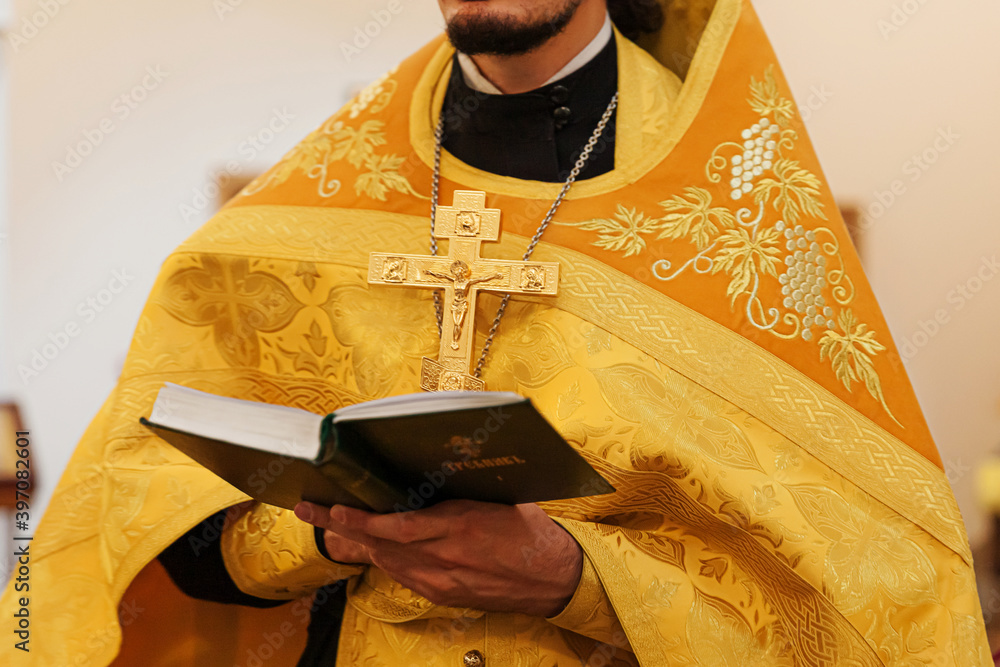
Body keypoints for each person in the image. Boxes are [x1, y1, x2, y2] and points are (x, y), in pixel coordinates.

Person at [2, 0, 992, 664]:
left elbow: (852, 601)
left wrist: (577, 578)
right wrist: (328, 538)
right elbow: (158, 535)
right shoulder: (298, 217)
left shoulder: (735, 227)